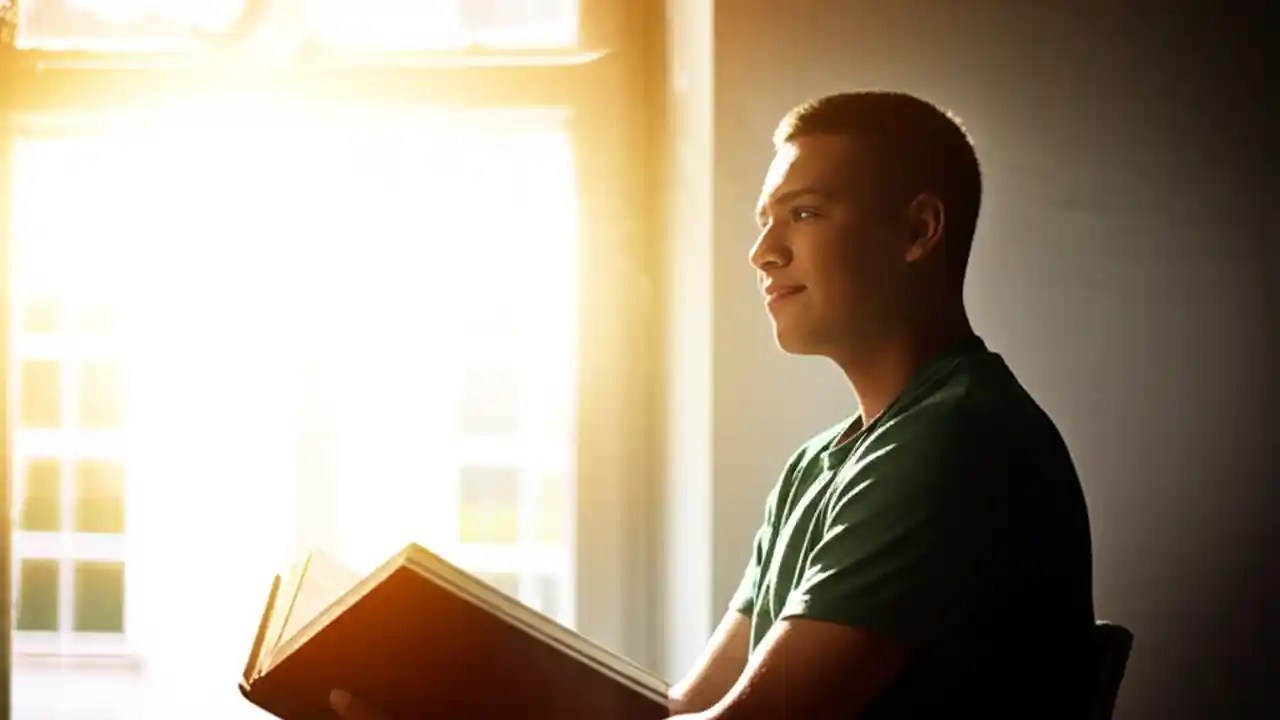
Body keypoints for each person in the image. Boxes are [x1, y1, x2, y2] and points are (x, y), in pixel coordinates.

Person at [330, 91, 1095, 719]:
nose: (764, 251)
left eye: (803, 213)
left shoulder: (953, 440)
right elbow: (688, 709)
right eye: (764, 219)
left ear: (918, 231)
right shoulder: (818, 466)